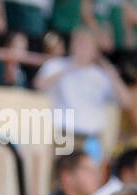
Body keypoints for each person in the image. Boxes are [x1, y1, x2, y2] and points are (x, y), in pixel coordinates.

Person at [34, 27, 130, 159]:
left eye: (86, 44)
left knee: (90, 177)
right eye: (78, 42)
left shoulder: (100, 75)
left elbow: (125, 101)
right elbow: (39, 85)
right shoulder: (57, 65)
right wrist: (71, 67)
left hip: (92, 136)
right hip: (64, 133)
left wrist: (109, 70)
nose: (80, 47)